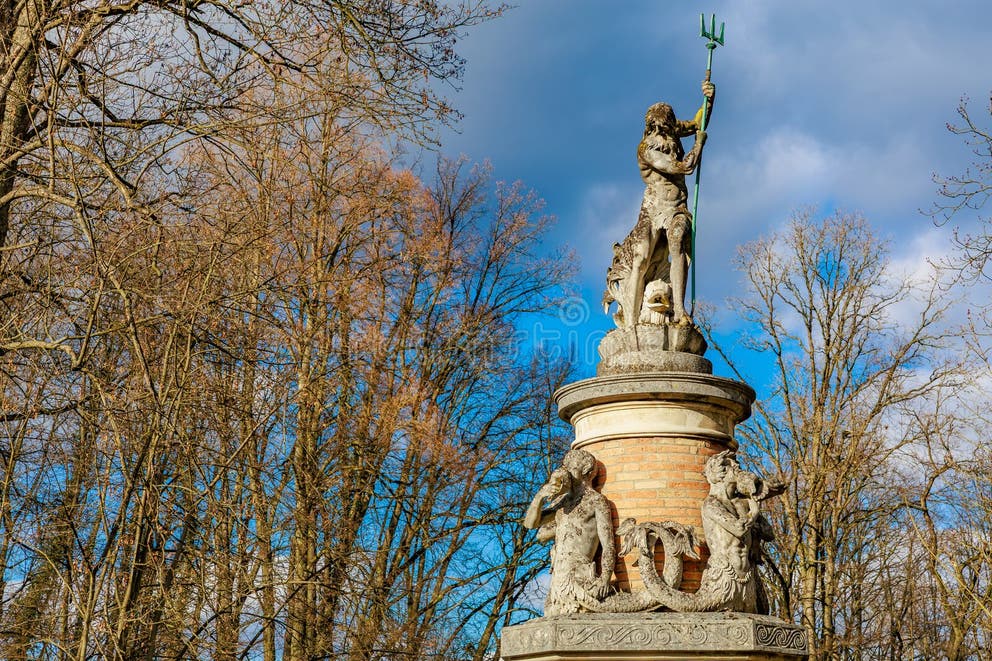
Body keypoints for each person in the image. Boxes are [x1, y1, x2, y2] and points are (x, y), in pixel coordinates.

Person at [604, 81, 714, 327]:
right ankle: (631, 322)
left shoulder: (671, 135)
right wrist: (698, 145)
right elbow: (683, 167)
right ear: (649, 128)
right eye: (655, 128)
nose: (660, 134)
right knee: (641, 258)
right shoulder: (645, 149)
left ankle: (680, 311)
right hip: (652, 210)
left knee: (677, 241)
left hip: (678, 207)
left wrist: (709, 98)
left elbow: (699, 122)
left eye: (663, 128)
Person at [524, 449, 616, 614]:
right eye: (565, 467)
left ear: (586, 472)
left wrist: (605, 579)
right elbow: (531, 524)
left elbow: (608, 544)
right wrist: (540, 497)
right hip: (558, 580)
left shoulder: (596, 501)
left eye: (571, 468)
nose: (566, 472)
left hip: (580, 577)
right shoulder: (563, 501)